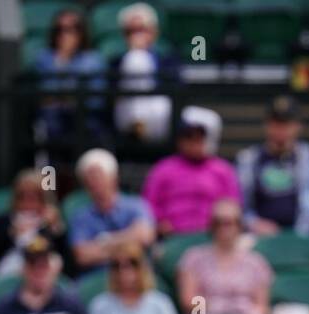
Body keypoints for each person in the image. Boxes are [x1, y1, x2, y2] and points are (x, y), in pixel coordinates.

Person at [235, 96, 309, 238]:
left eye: (286, 124)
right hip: (260, 241)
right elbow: (236, 206)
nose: (281, 130)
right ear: (266, 125)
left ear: (298, 126)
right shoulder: (249, 159)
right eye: (276, 123)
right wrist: (253, 223)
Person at [176, 198, 273, 314]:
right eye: (219, 223)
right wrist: (212, 307)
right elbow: (188, 299)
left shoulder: (256, 262)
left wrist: (248, 313)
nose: (224, 228)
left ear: (239, 226)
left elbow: (262, 306)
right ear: (212, 225)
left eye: (229, 223)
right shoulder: (194, 258)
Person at [140, 107, 239, 236]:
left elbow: (233, 206)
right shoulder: (163, 169)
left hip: (212, 239)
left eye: (198, 138)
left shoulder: (222, 170)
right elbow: (147, 205)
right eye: (188, 137)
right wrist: (159, 221)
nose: (192, 143)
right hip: (171, 238)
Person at [67, 148, 156, 277]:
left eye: (98, 176)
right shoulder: (80, 216)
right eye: (88, 178)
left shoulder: (136, 205)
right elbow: (82, 256)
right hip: (97, 278)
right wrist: (128, 243)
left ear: (114, 177)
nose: (94, 182)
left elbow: (145, 236)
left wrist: (104, 241)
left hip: (137, 277)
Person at [32, 7, 107, 147]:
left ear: (81, 33)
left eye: (72, 29)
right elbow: (45, 98)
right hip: (53, 128)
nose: (65, 34)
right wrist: (62, 61)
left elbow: (97, 100)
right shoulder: (45, 59)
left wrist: (65, 99)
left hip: (85, 126)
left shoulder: (92, 60)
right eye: (59, 29)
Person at [0, 168, 70, 279]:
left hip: (43, 280)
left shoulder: (51, 224)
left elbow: (63, 258)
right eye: (22, 197)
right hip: (7, 279)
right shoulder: (3, 221)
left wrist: (52, 228)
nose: (27, 203)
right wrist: (12, 233)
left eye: (34, 198)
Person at [112, 2, 177, 141]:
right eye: (131, 31)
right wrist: (134, 53)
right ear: (124, 35)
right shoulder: (116, 62)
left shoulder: (167, 60)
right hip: (126, 117)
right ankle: (138, 127)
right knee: (136, 59)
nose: (137, 35)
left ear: (154, 32)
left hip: (159, 117)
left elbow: (177, 88)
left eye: (142, 29)